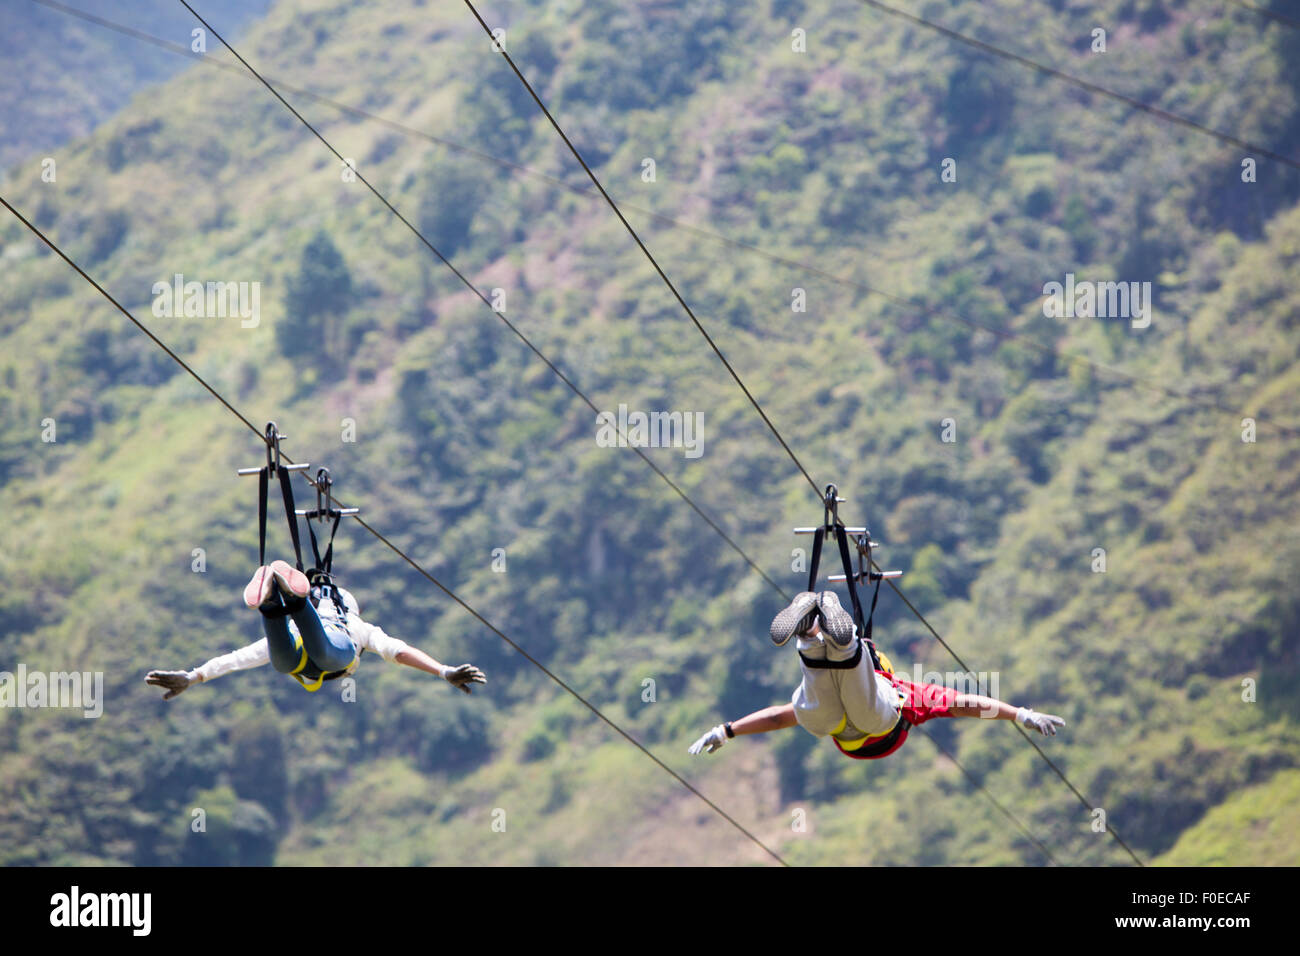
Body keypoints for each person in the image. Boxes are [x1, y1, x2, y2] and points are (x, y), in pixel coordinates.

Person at [688, 591, 1063, 759]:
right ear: (884, 670)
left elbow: (775, 716)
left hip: (838, 724)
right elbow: (965, 704)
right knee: (832, 703)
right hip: (871, 720)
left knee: (814, 708)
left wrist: (729, 729)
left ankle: (812, 635)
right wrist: (1019, 714)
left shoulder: (900, 690)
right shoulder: (904, 692)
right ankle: (832, 641)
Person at [145, 560, 486, 698]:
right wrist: (443, 671)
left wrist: (194, 676)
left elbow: (237, 659)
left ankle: (274, 602)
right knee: (316, 654)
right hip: (331, 653)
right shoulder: (356, 626)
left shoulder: (321, 628)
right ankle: (285, 600)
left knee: (279, 656)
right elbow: (398, 651)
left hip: (299, 653)